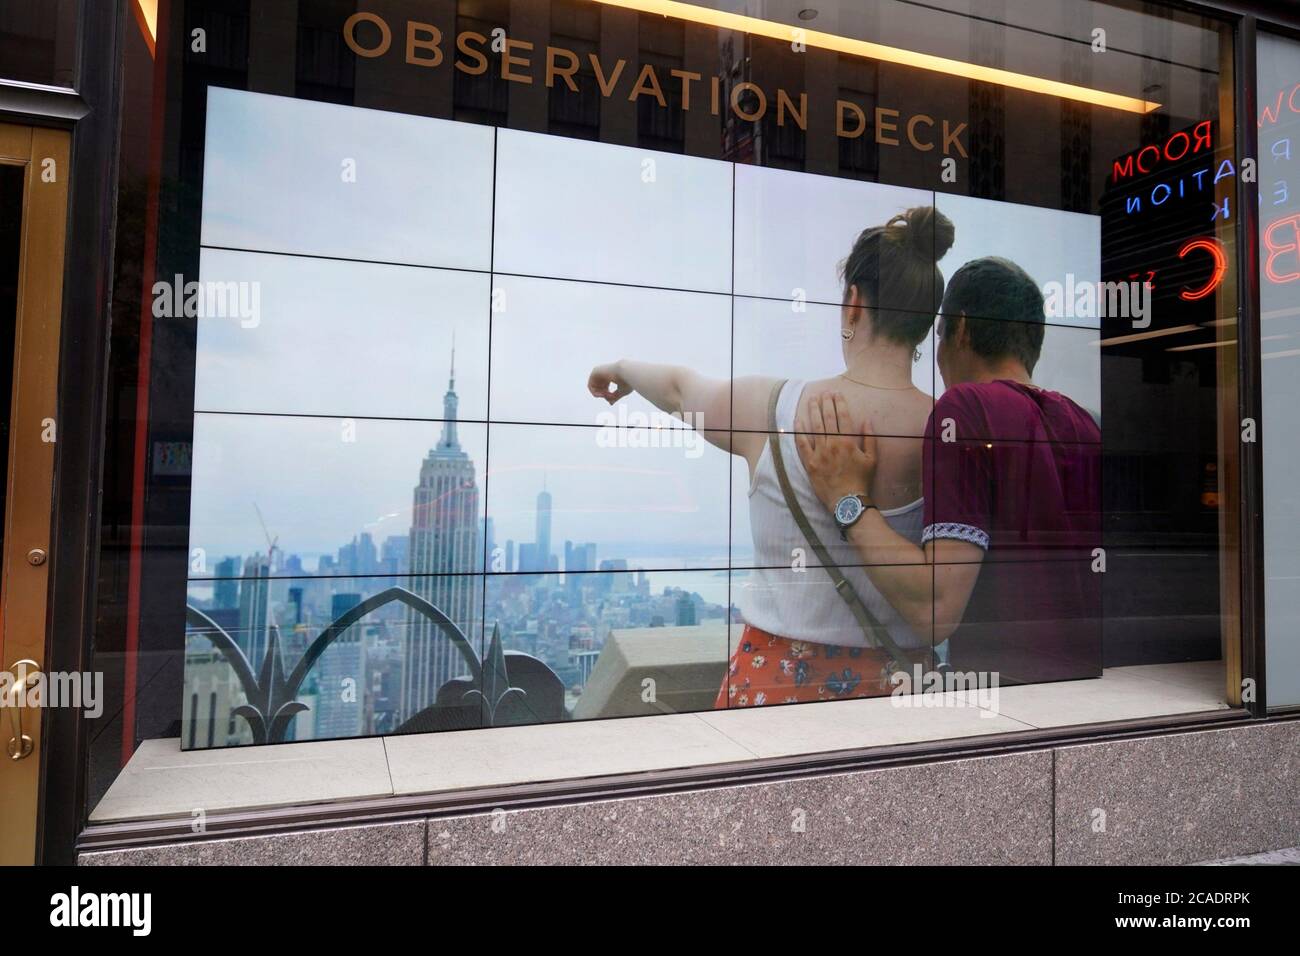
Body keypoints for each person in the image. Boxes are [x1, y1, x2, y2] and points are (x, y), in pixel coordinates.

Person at [588, 206, 955, 706]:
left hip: (774, 684)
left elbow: (678, 390)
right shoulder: (945, 430)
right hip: (900, 695)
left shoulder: (772, 407)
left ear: (853, 304)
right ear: (922, 323)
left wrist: (621, 368)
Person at [797, 256, 1102, 685]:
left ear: (958, 328)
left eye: (938, 335)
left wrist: (847, 497)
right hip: (1085, 690)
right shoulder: (1083, 423)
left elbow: (935, 609)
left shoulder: (967, 408)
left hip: (1005, 702)